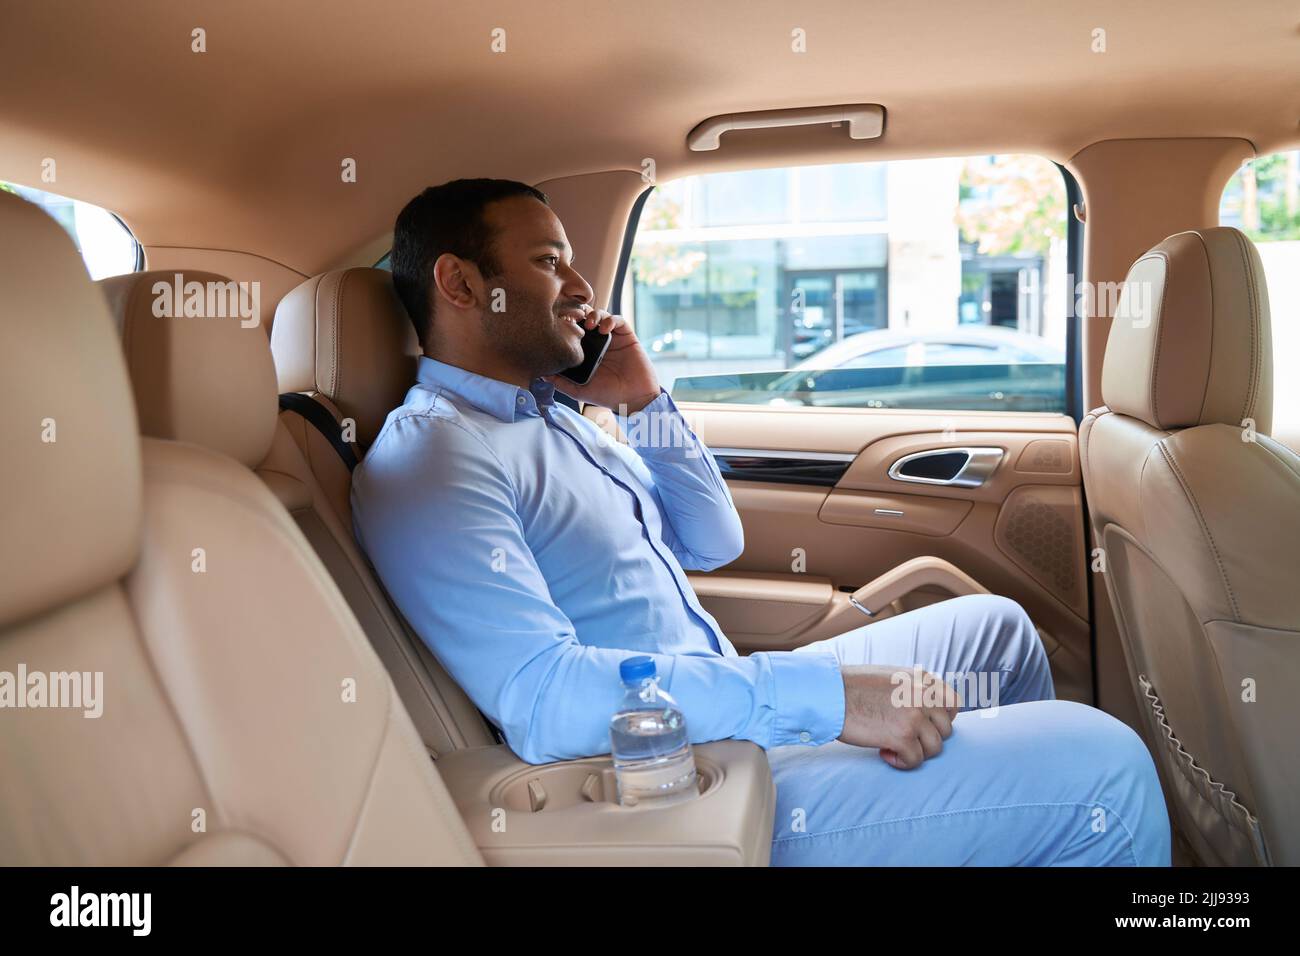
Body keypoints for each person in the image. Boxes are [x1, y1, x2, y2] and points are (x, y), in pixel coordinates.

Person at [351, 178, 1170, 866]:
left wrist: (641, 402)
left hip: (723, 703)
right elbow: (544, 697)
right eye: (548, 261)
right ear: (460, 284)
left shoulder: (550, 416)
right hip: (676, 785)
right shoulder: (433, 461)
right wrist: (830, 698)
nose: (581, 287)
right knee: (1109, 771)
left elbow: (714, 539)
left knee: (996, 633)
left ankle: (984, 828)